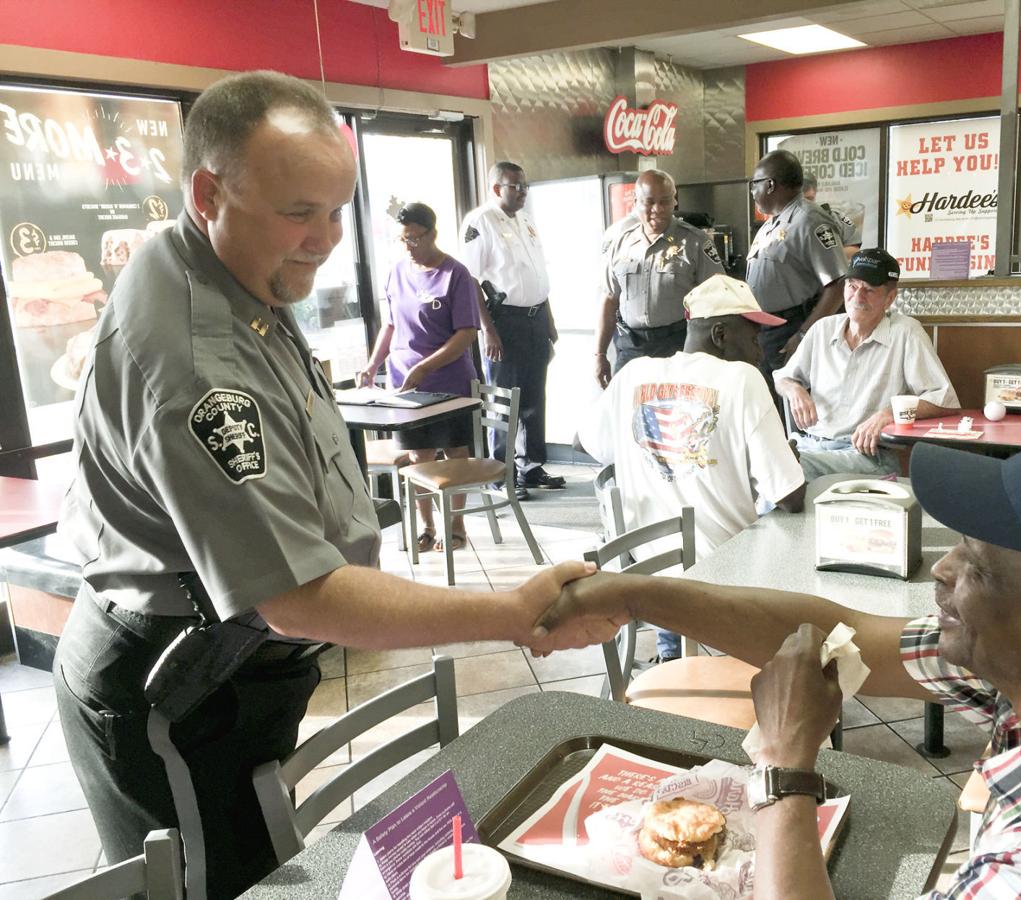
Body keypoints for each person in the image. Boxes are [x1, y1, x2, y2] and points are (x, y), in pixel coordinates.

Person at [52, 71, 609, 900]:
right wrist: (510, 613)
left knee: (266, 868)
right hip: (174, 687)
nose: (324, 240)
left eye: (337, 211)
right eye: (298, 213)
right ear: (208, 193)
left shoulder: (232, 262)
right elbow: (298, 597)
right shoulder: (199, 364)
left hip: (234, 666)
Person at [538, 425, 1021, 898]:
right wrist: (633, 594)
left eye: (978, 567)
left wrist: (784, 768)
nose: (942, 569)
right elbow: (845, 635)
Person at [578, 274, 807, 661]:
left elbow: (583, 442)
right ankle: (750, 671)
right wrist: (785, 458)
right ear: (720, 334)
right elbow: (791, 498)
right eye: (753, 338)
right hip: (724, 582)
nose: (759, 352)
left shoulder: (633, 374)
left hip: (646, 578)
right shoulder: (742, 379)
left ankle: (674, 658)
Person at [356, 202, 479, 552]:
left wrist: (426, 366)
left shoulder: (455, 275)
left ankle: (456, 525)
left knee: (455, 454)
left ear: (432, 234)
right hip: (404, 385)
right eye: (403, 239)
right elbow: (390, 325)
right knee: (417, 455)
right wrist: (373, 364)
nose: (408, 246)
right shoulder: (396, 272)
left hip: (449, 383)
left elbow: (466, 333)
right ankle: (427, 526)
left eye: (414, 238)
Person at [775, 248, 959, 480]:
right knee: (759, 461)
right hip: (809, 445)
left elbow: (944, 400)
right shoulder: (823, 329)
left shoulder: (906, 333)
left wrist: (889, 414)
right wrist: (795, 389)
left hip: (866, 455)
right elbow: (782, 378)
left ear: (889, 299)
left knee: (789, 470)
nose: (858, 297)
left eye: (869, 290)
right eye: (852, 286)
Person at [459, 161, 564, 501]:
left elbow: (537, 276)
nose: (522, 192)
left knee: (534, 395)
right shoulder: (480, 222)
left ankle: (530, 466)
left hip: (535, 318)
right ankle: (500, 475)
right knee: (504, 400)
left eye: (524, 186)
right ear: (496, 189)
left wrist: (548, 318)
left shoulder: (526, 220)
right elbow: (470, 281)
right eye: (515, 186)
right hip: (504, 321)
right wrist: (488, 330)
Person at [594, 169, 725, 388]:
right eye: (649, 202)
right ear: (636, 203)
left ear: (675, 201)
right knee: (627, 406)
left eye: (665, 201)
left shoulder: (695, 242)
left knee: (675, 407)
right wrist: (599, 354)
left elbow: (718, 299)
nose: (657, 209)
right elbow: (609, 299)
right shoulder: (620, 243)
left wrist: (710, 354)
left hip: (678, 345)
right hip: (631, 347)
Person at [746, 150, 848, 407]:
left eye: (754, 184)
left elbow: (837, 285)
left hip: (792, 329)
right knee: (773, 410)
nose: (752, 192)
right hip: (766, 332)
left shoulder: (809, 220)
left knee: (798, 410)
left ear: (770, 184)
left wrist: (803, 336)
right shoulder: (771, 225)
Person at [801, 171, 862, 258]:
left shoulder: (835, 218)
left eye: (809, 199)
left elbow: (854, 250)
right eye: (801, 200)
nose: (805, 203)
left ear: (815, 193)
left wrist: (823, 255)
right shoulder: (784, 221)